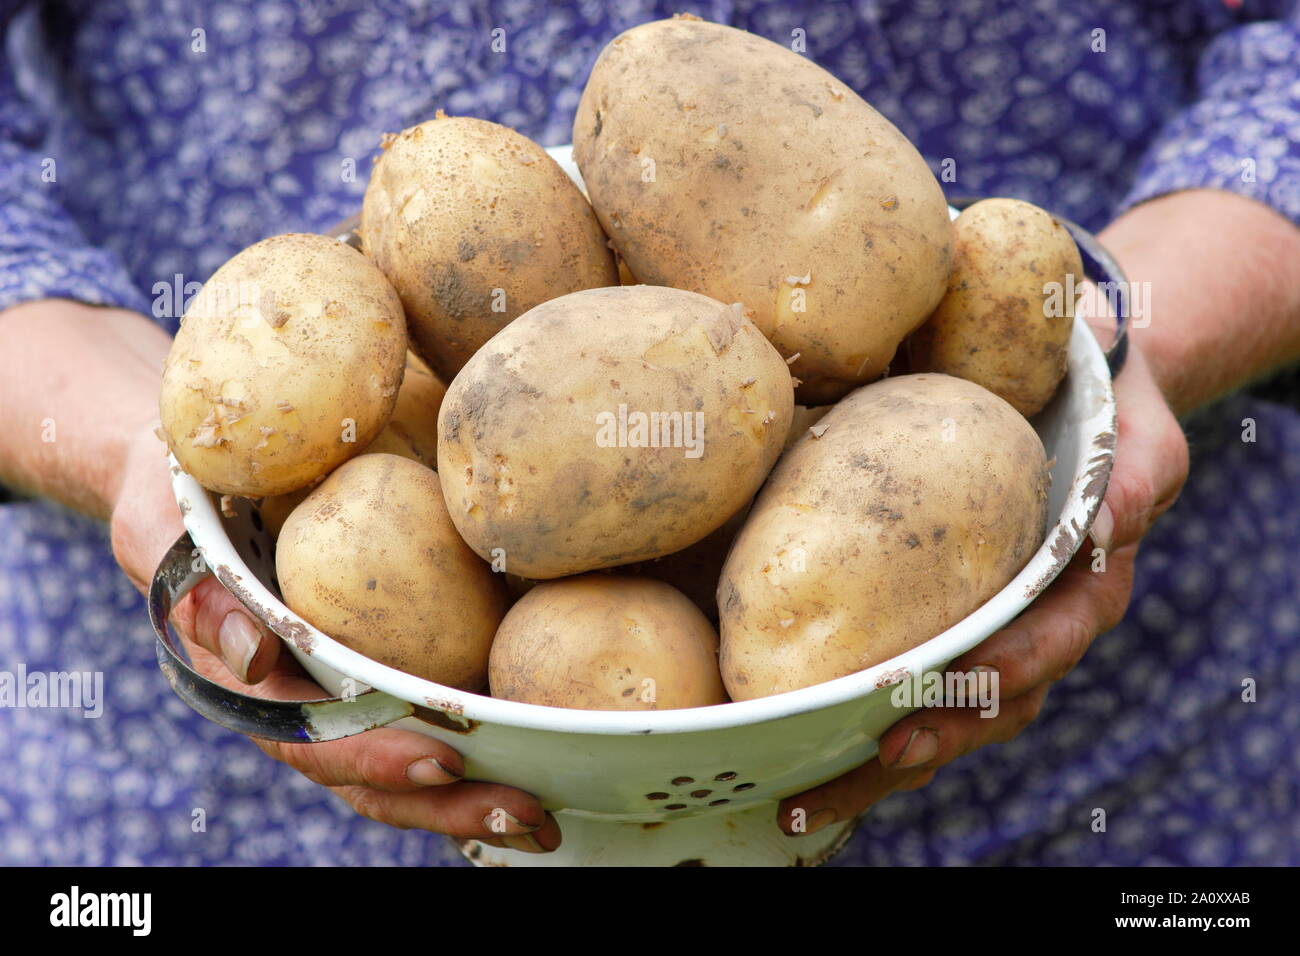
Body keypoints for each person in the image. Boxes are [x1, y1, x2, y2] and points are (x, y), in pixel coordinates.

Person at [1, 0, 1296, 865]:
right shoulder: (408, 424)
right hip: (194, 809)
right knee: (368, 529)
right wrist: (112, 423)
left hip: (1107, 783)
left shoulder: (843, 334)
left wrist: (1152, 326)